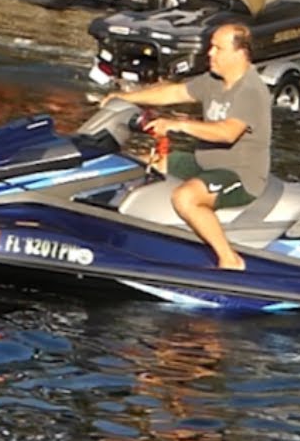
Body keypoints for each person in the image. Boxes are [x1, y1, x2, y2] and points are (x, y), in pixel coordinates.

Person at [102, 23, 271, 270]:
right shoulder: (213, 81)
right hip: (203, 163)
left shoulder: (250, 90)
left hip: (240, 174)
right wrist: (124, 98)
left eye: (217, 48)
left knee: (186, 197)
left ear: (239, 53)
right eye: (211, 46)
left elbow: (227, 133)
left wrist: (179, 125)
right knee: (135, 164)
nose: (210, 53)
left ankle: (230, 259)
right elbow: (173, 93)